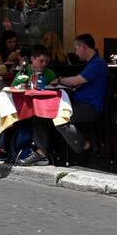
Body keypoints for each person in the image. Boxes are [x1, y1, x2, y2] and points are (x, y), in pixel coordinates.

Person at [19, 34, 106, 166]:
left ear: (83, 47)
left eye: (76, 48)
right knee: (41, 113)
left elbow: (77, 80)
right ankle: (41, 153)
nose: (75, 53)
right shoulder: (91, 63)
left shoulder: (97, 63)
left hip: (89, 107)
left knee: (59, 118)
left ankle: (86, 146)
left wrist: (59, 80)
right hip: (79, 103)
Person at [0, 45, 59, 164]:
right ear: (32, 59)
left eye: (46, 61)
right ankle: (2, 149)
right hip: (23, 107)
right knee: (7, 114)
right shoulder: (25, 71)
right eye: (41, 60)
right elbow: (13, 88)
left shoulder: (50, 74)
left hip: (41, 109)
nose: (44, 64)